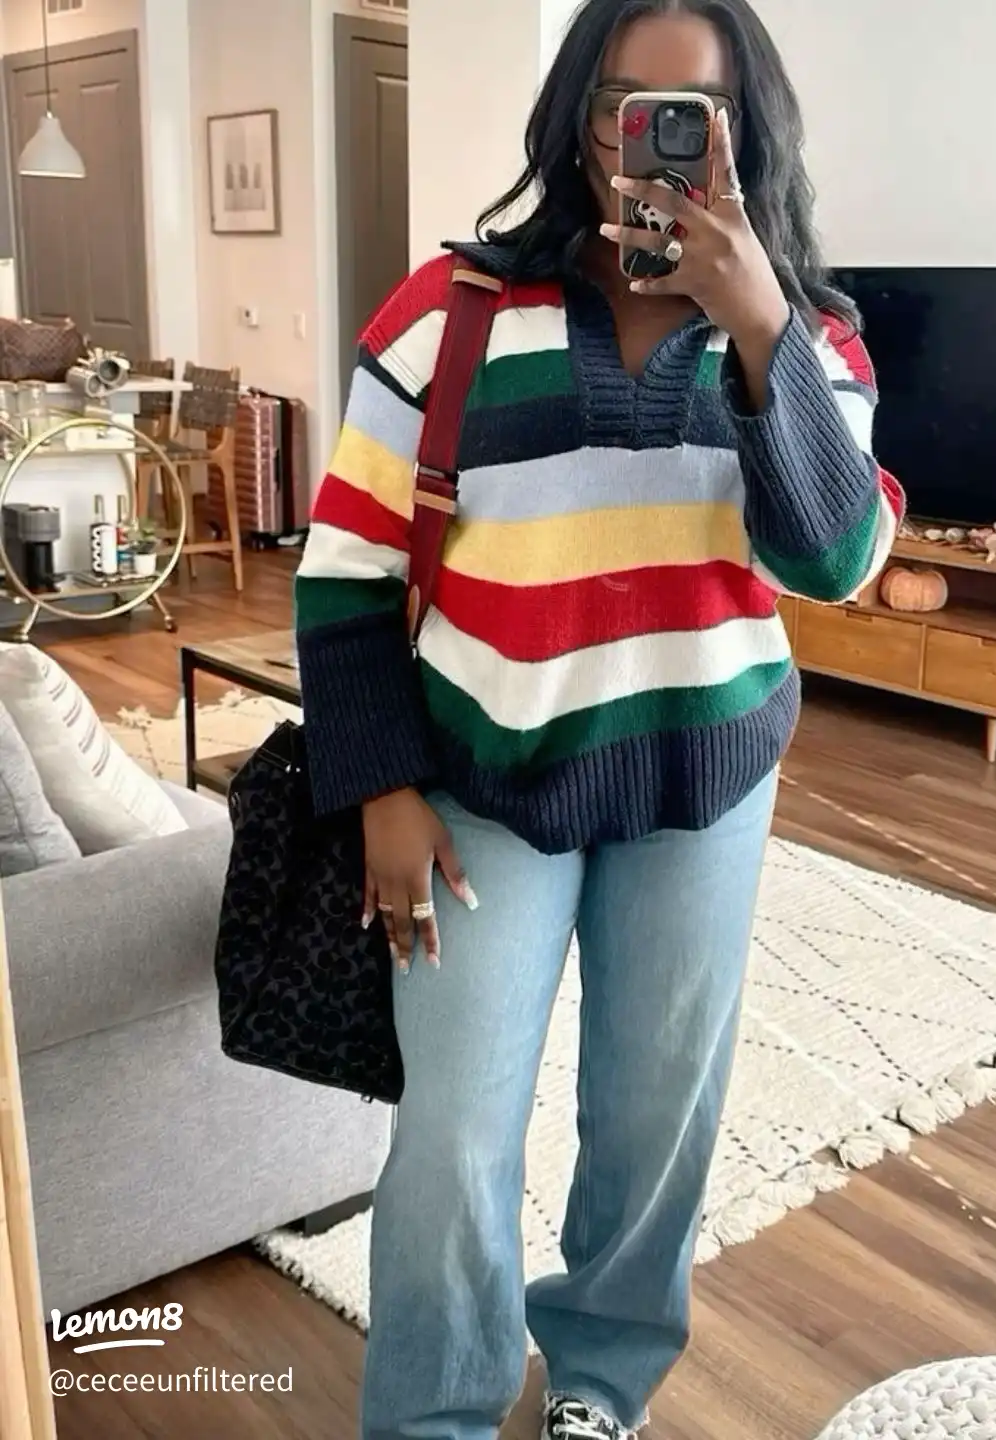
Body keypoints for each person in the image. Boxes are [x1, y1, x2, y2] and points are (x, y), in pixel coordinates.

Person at [295, 1, 904, 1437]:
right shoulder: (445, 315)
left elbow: (830, 561)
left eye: (702, 112)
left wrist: (759, 327)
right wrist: (379, 786)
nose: (663, 146)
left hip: (704, 782)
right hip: (482, 789)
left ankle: (600, 1385)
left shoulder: (813, 337)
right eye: (635, 104)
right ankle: (437, 1410)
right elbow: (341, 575)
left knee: (654, 1119)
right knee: (451, 1135)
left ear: (749, 130)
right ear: (587, 120)